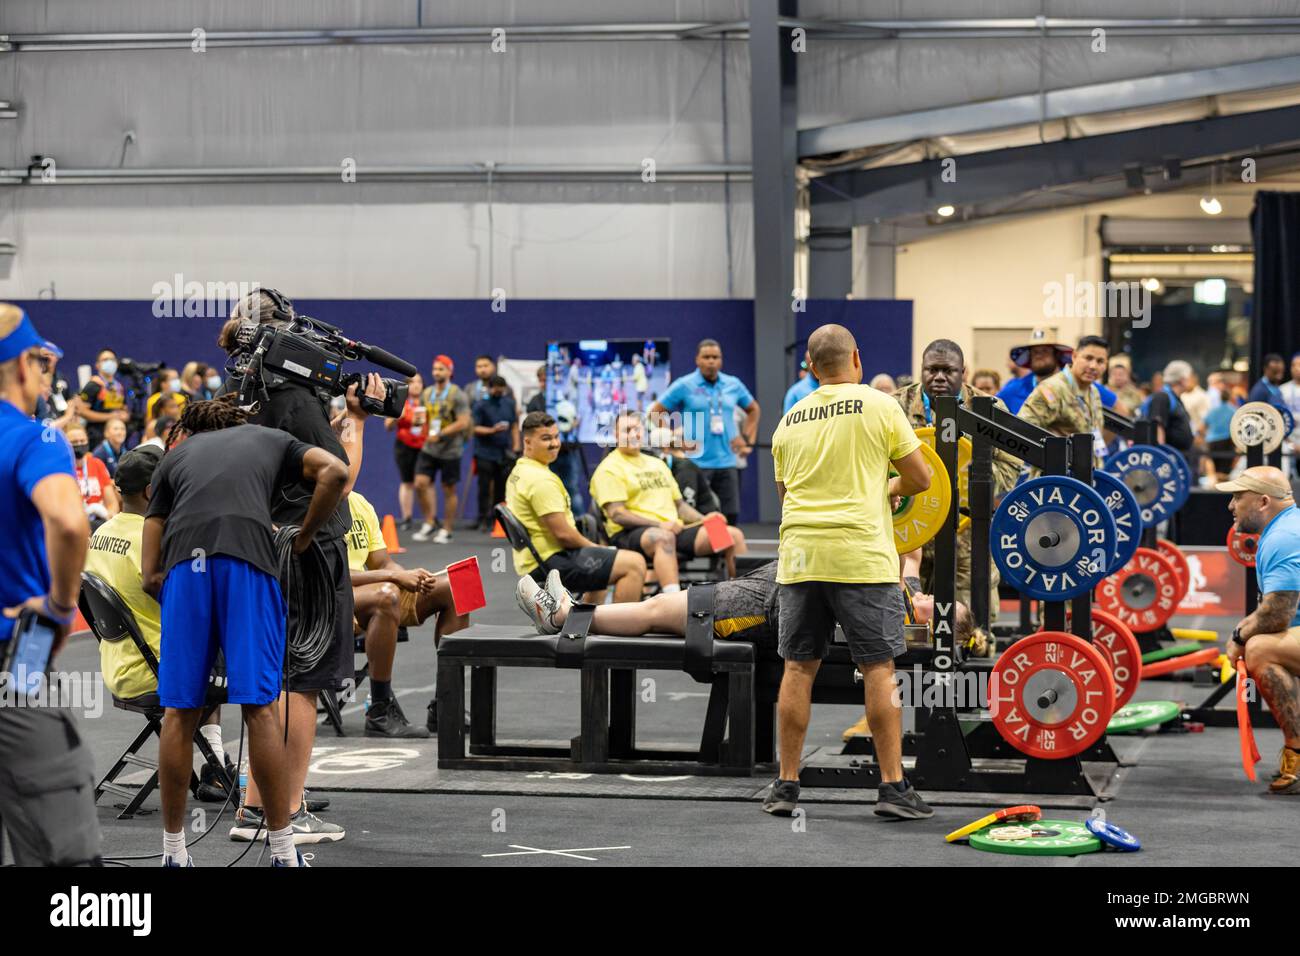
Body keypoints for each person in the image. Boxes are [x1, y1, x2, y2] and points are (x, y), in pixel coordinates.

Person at [141, 396, 350, 867]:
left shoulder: (175, 457)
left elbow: (148, 569)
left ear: (191, 430)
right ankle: (282, 852)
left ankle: (173, 856)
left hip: (183, 569)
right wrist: (304, 536)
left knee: (179, 713)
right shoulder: (270, 437)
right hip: (247, 563)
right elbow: (336, 472)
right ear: (241, 420)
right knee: (259, 708)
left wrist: (174, 594)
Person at [217, 288, 381, 846]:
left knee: (269, 679)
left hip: (251, 545)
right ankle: (282, 811)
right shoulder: (295, 394)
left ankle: (256, 808)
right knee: (302, 682)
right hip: (302, 550)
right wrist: (356, 424)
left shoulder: (235, 389)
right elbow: (339, 479)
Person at [766, 323, 934, 820]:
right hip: (860, 556)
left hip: (800, 557)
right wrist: (882, 489)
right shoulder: (880, 405)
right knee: (879, 669)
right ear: (856, 359)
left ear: (812, 368)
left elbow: (786, 497)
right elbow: (921, 479)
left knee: (797, 668)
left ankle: (786, 787)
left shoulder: (789, 418)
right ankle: (893, 789)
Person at [0, 304, 101, 866]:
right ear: (21, 366)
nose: (46, 377)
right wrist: (61, 606)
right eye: (42, 364)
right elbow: (67, 520)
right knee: (69, 866)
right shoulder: (34, 436)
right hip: (13, 665)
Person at [84, 445, 238, 801]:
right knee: (247, 656)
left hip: (120, 666)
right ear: (153, 491)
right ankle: (257, 783)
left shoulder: (101, 534)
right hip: (157, 672)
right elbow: (188, 606)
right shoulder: (153, 541)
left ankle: (214, 765)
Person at [892, 339, 1019, 615]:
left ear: (964, 371)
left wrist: (969, 482)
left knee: (972, 615)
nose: (938, 377)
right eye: (931, 370)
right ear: (921, 369)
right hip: (910, 526)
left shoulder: (989, 408)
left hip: (968, 527)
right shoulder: (895, 406)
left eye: (948, 371)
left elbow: (1011, 463)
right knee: (907, 613)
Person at [344, 491, 472, 737]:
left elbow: (382, 563)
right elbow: (331, 574)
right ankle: (379, 711)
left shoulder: (360, 503)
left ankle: (447, 703)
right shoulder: (310, 503)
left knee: (458, 586)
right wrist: (392, 577)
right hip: (332, 602)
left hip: (371, 592)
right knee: (385, 595)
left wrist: (406, 574)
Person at [591, 411, 745, 587]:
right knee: (663, 538)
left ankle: (742, 594)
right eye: (627, 430)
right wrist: (659, 525)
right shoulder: (609, 468)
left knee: (731, 534)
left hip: (674, 529)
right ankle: (673, 603)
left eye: (637, 428)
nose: (634, 434)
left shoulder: (657, 464)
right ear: (616, 435)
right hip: (631, 534)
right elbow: (617, 514)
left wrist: (704, 519)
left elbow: (679, 506)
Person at [507, 411, 646, 603]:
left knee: (605, 566)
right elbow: (563, 536)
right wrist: (596, 547)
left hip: (533, 559)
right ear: (528, 442)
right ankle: (619, 629)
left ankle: (587, 624)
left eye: (556, 437)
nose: (555, 443)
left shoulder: (520, 470)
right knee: (634, 563)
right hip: (550, 561)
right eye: (546, 438)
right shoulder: (540, 481)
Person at [1220, 467, 1300, 793]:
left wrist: (1239, 636)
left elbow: (1279, 613)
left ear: (1263, 501)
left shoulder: (1283, 538)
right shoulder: (1286, 527)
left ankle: (1297, 751)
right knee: (1265, 647)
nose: (1231, 505)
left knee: (1259, 648)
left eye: (1239, 497)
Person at [650, 339, 759, 527]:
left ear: (721, 360)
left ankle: (724, 556)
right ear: (697, 360)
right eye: (706, 357)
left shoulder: (733, 384)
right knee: (704, 517)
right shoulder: (684, 385)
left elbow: (754, 410)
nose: (711, 361)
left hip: (727, 462)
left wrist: (747, 439)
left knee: (729, 517)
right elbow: (655, 412)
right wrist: (675, 439)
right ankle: (711, 552)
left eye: (715, 357)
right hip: (695, 464)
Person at [1018, 334, 1111, 468]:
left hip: (1088, 477)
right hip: (1057, 481)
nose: (1093, 366)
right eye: (1088, 358)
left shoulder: (1093, 391)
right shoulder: (1053, 389)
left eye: (1100, 361)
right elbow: (1021, 431)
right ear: (1074, 356)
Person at [414, 356, 470, 543]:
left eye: (441, 369)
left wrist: (441, 433)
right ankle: (430, 522)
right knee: (420, 483)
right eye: (435, 369)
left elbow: (464, 422)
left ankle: (447, 529)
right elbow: (423, 417)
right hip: (430, 448)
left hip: (451, 450)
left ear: (449, 372)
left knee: (448, 489)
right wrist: (419, 424)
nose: (437, 372)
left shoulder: (457, 394)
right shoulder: (427, 392)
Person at [998, 327, 1117, 415]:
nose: (1039, 356)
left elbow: (1119, 410)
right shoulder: (1014, 388)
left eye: (1045, 351)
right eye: (1035, 352)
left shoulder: (1081, 385)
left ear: (1056, 355)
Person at [471, 374, 520, 527]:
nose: (498, 391)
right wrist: (492, 430)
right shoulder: (480, 405)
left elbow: (513, 425)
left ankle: (497, 518)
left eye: (501, 388)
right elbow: (474, 428)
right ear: (489, 388)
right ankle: (482, 517)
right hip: (484, 452)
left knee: (501, 487)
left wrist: (516, 445)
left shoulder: (509, 403)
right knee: (484, 486)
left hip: (502, 452)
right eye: (495, 388)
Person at [387, 371, 426, 531]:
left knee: (424, 483)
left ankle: (429, 520)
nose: (417, 385)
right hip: (404, 446)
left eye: (420, 382)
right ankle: (407, 517)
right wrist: (398, 416)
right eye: (413, 382)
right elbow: (388, 426)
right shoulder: (401, 402)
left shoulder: (428, 401)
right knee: (407, 482)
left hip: (425, 446)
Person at [66, 422, 121, 528]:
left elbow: (112, 503)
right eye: (74, 442)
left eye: (82, 441)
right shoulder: (62, 468)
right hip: (75, 523)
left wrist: (110, 515)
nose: (79, 444)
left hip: (100, 521)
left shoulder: (97, 464)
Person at [1145, 359, 1196, 464]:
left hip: (1180, 458)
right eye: (1190, 376)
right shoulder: (1162, 397)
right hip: (1169, 461)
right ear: (1182, 379)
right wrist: (1162, 459)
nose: (1192, 380)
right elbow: (1158, 428)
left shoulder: (1175, 398)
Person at [78, 347, 129, 448]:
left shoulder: (119, 387)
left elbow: (124, 410)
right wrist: (110, 417)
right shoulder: (93, 385)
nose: (109, 362)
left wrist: (125, 416)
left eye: (112, 360)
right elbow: (81, 411)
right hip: (97, 437)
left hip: (116, 438)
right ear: (97, 365)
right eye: (105, 360)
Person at [1200, 375, 1237, 484]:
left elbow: (1202, 428)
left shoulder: (1212, 411)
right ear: (1230, 396)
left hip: (1212, 443)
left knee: (1214, 473)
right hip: (1227, 443)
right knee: (1224, 474)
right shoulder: (1234, 411)